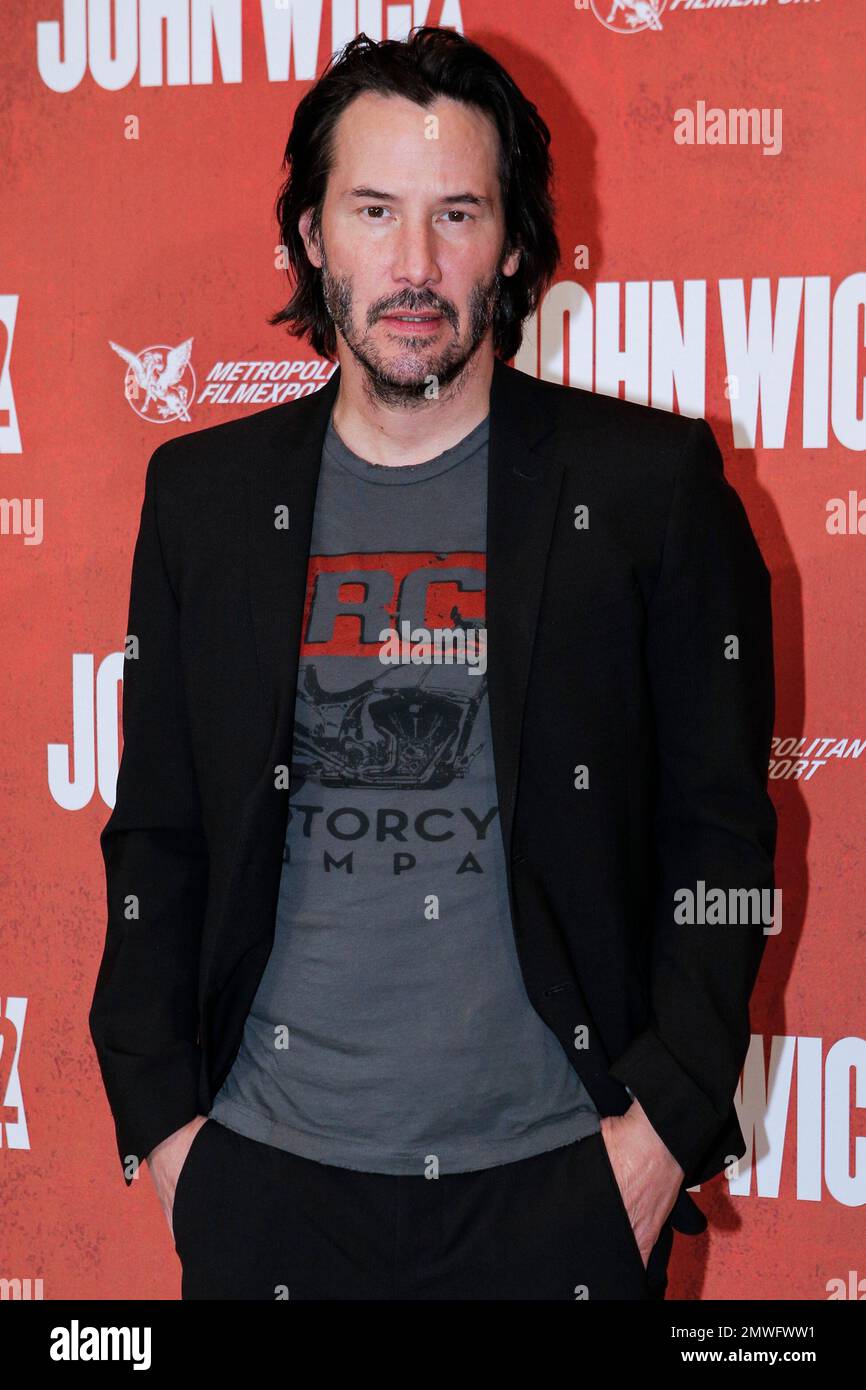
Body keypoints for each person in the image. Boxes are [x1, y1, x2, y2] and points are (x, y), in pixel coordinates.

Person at [89, 26, 776, 1301]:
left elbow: (720, 836)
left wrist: (659, 1131)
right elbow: (160, 829)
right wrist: (168, 1131)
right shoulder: (204, 501)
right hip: (264, 1181)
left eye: (457, 213)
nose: (414, 265)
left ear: (513, 243)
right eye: (373, 210)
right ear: (309, 234)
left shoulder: (644, 490)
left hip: (557, 1184)